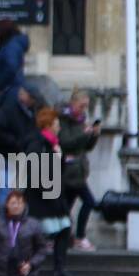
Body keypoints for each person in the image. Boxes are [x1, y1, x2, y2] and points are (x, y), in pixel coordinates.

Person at [23, 107, 74, 276]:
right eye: (56, 124)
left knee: (64, 229)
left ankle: (59, 269)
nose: (59, 127)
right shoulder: (37, 142)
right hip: (41, 198)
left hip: (53, 197)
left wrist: (59, 158)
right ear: (49, 125)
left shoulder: (52, 144)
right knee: (38, 234)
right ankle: (30, 269)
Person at [58, 89, 101, 252]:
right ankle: (79, 236)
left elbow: (86, 147)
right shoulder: (64, 121)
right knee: (89, 201)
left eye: (86, 107)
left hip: (79, 171)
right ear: (73, 103)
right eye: (81, 106)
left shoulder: (81, 121)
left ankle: (62, 237)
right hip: (68, 173)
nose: (83, 110)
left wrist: (94, 135)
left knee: (66, 208)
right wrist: (85, 134)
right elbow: (66, 143)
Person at [0, 86, 39, 209]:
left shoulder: (31, 112)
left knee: (18, 193)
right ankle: (6, 223)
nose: (32, 101)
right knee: (5, 191)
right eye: (30, 98)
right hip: (5, 155)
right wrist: (15, 142)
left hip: (21, 157)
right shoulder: (9, 110)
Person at [0, 19, 29, 117]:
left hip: (7, 89)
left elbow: (11, 68)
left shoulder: (11, 46)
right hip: (11, 87)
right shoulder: (9, 45)